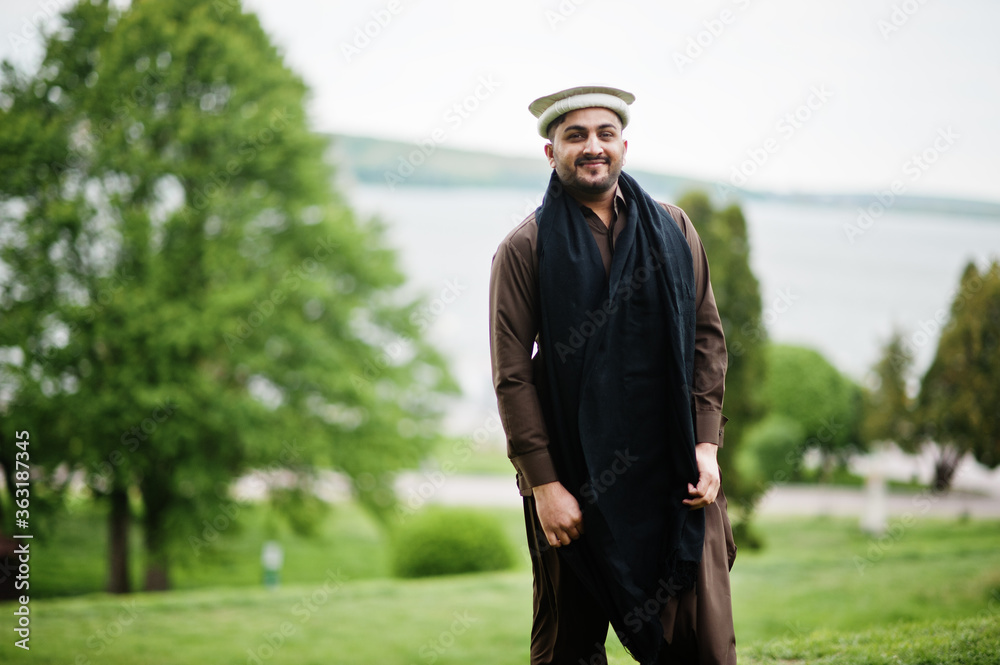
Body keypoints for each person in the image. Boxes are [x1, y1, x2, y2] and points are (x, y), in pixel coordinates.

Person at [489, 85, 738, 665]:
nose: (592, 147)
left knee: (701, 642)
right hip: (572, 479)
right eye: (575, 136)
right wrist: (546, 485)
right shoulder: (525, 249)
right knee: (568, 647)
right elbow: (511, 375)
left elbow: (707, 337)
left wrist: (706, 446)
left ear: (624, 145)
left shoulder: (674, 231)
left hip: (675, 468)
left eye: (604, 134)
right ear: (551, 153)